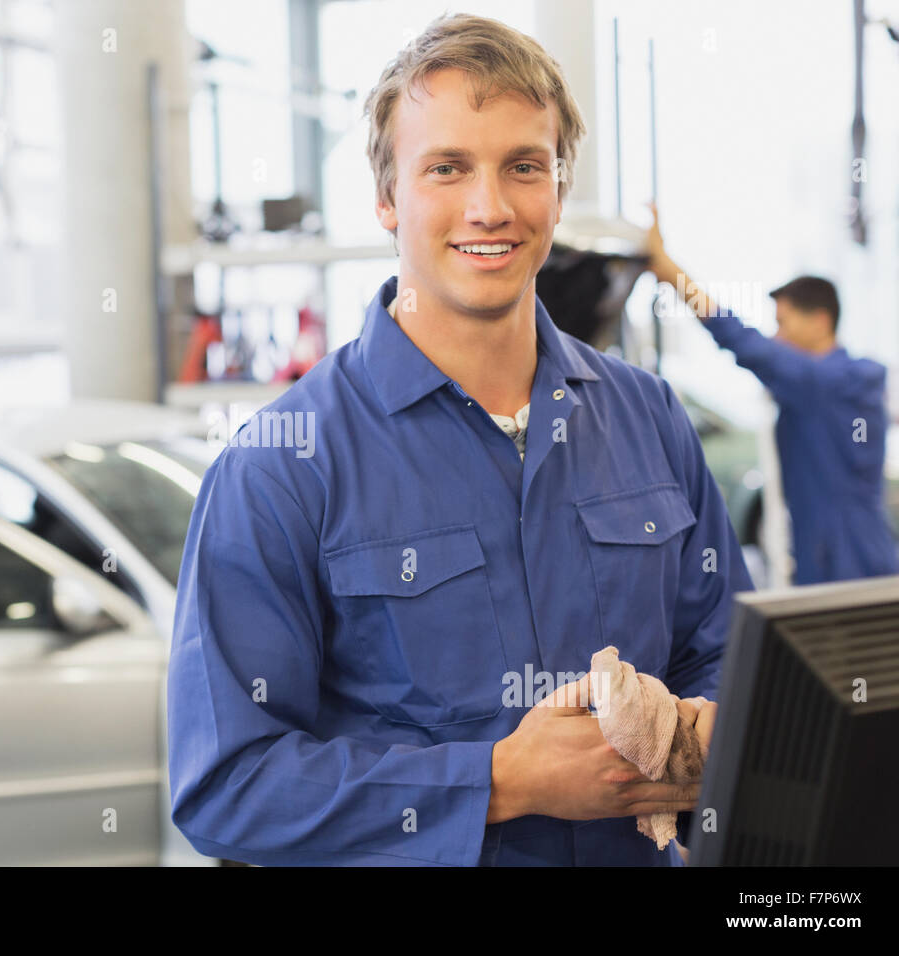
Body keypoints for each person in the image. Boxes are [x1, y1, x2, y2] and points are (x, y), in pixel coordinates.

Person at [167, 13, 751, 867]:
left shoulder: (649, 419)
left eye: (524, 166)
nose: (492, 206)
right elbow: (228, 786)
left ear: (558, 186)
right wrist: (502, 780)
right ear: (386, 197)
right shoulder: (282, 464)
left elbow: (730, 655)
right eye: (447, 168)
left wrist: (703, 730)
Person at [645, 209, 899, 585]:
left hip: (841, 563)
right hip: (857, 552)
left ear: (820, 322)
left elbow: (742, 341)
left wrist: (671, 275)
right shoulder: (845, 381)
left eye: (782, 323)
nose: (776, 337)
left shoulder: (823, 382)